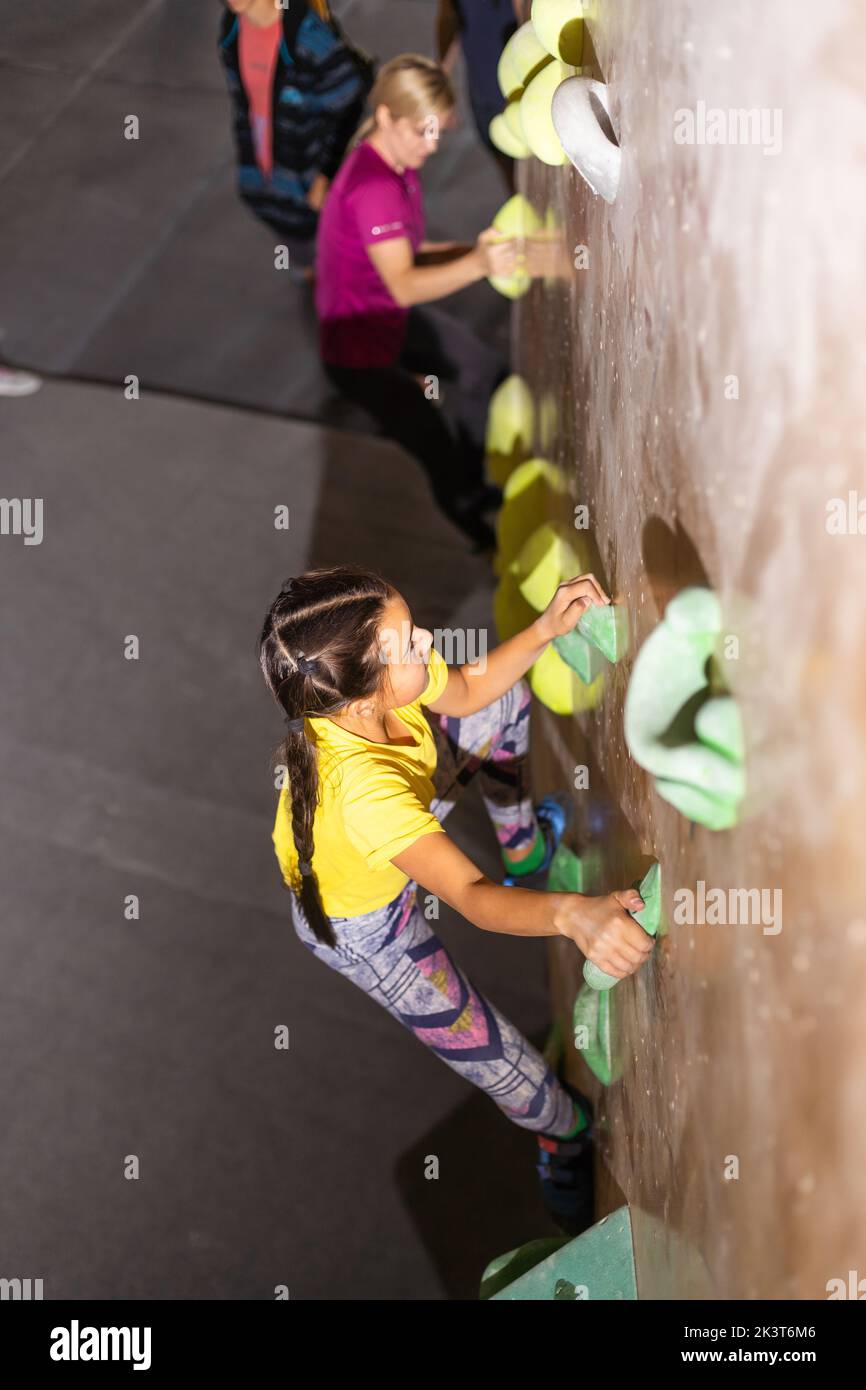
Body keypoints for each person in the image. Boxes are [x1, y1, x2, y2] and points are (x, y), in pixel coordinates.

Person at [259, 564, 654, 1234]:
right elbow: (470, 896)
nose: (428, 643)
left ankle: (523, 844)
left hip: (384, 846)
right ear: (363, 700)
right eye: (409, 643)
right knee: (496, 1056)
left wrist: (543, 629)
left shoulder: (375, 694)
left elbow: (471, 689)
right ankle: (561, 1138)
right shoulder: (366, 796)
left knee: (501, 702)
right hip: (367, 934)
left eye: (412, 627)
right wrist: (572, 915)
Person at [314, 54, 528, 555]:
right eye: (422, 132)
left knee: (484, 371)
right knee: (438, 450)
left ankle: (478, 478)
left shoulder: (392, 162)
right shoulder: (374, 189)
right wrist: (477, 264)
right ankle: (484, 537)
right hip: (358, 351)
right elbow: (404, 285)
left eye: (437, 132)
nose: (432, 145)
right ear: (386, 115)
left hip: (385, 317)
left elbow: (405, 254)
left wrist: (472, 250)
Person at [218, 0, 372, 279]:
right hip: (268, 176)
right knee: (293, 235)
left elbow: (350, 108)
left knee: (342, 256)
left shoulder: (311, 43)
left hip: (310, 183)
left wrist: (326, 174)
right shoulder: (230, 30)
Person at [437, 0, 522, 189]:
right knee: (510, 174)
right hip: (483, 95)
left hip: (517, 87)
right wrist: (440, 87)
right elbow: (449, 19)